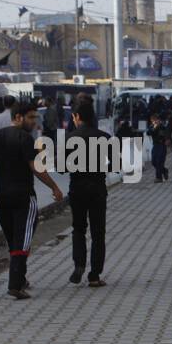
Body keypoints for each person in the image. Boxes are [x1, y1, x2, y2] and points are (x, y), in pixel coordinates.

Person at [0, 101, 65, 300]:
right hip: (24, 197)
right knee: (23, 240)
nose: (34, 121)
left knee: (14, 240)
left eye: (35, 118)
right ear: (18, 117)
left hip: (1, 198)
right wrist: (55, 187)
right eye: (31, 117)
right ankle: (15, 285)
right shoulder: (25, 139)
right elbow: (36, 168)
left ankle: (20, 279)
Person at [62, 98, 110, 288]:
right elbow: (115, 165)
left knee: (79, 229)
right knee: (98, 232)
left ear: (77, 116)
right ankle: (95, 275)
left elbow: (61, 168)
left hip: (77, 189)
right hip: (98, 189)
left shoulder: (69, 138)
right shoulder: (104, 137)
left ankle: (79, 264)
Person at [148, 112, 169, 182]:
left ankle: (158, 177)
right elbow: (149, 133)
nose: (154, 121)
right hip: (155, 145)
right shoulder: (152, 126)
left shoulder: (162, 126)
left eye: (155, 120)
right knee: (153, 161)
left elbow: (165, 134)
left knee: (159, 161)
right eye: (153, 120)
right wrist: (154, 127)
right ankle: (164, 170)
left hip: (162, 145)